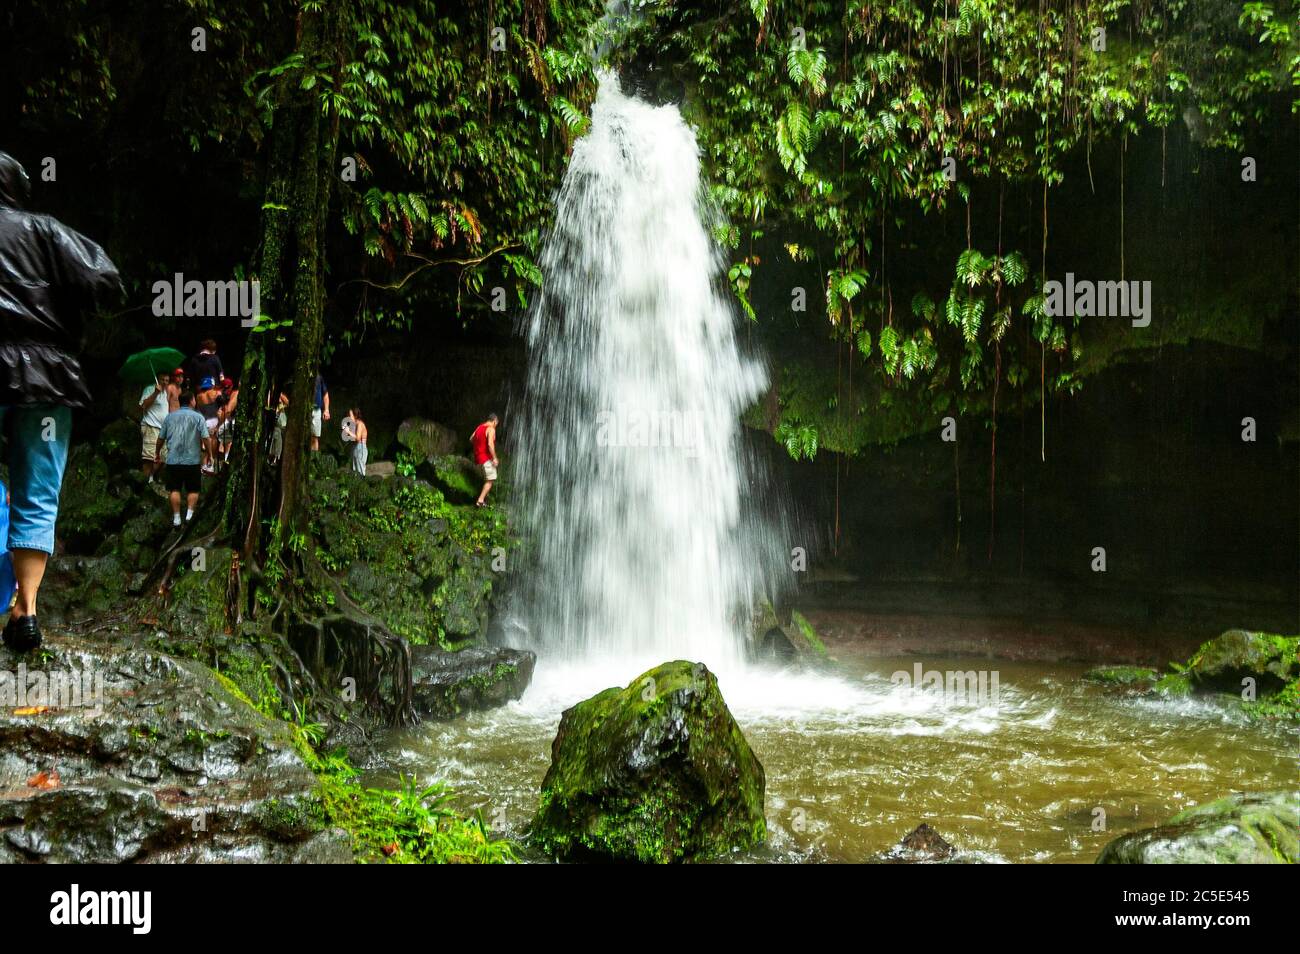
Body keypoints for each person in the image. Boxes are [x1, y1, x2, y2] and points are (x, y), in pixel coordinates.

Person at [0, 151, 122, 651]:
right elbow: (105, 281)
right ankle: (26, 612)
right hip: (47, 379)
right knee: (37, 488)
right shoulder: (46, 231)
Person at [155, 389, 206, 527]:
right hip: (192, 460)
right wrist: (210, 455)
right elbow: (206, 437)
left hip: (173, 460)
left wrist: (157, 453)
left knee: (174, 489)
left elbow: (160, 438)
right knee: (193, 489)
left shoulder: (170, 417)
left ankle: (177, 518)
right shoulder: (198, 417)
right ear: (191, 401)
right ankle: (189, 515)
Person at [138, 372, 170, 477]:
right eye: (162, 380)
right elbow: (143, 406)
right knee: (149, 459)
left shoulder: (165, 393)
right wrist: (155, 393)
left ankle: (150, 479)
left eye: (167, 380)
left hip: (162, 430)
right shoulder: (150, 389)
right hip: (151, 426)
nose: (165, 382)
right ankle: (145, 483)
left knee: (162, 459)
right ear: (157, 379)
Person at [471, 413, 499, 507]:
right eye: (496, 424)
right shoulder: (491, 429)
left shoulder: (479, 427)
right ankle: (480, 501)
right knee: (491, 479)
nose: (496, 426)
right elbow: (490, 444)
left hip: (477, 458)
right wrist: (494, 458)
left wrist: (478, 447)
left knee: (487, 478)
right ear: (494, 421)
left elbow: (471, 439)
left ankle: (483, 499)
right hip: (486, 458)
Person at [195, 375, 222, 473]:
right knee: (213, 442)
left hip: (204, 420)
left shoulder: (198, 396)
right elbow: (223, 402)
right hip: (214, 420)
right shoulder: (215, 393)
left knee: (207, 444)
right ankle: (209, 465)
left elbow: (198, 409)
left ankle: (204, 464)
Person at [310, 373, 330, 452]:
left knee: (315, 436)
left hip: (316, 410)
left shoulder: (319, 378)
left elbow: (325, 395)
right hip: (304, 410)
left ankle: (313, 459)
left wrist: (326, 410)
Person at [268, 392, 288, 465]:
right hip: (270, 419)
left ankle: (275, 458)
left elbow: (287, 403)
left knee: (278, 435)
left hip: (279, 421)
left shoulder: (280, 395)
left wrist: (279, 394)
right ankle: (270, 457)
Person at [346, 408, 368, 476]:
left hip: (360, 448)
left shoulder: (360, 424)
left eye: (350, 415)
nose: (348, 417)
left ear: (355, 416)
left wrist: (348, 432)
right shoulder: (354, 425)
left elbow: (358, 438)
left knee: (360, 471)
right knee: (354, 470)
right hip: (355, 447)